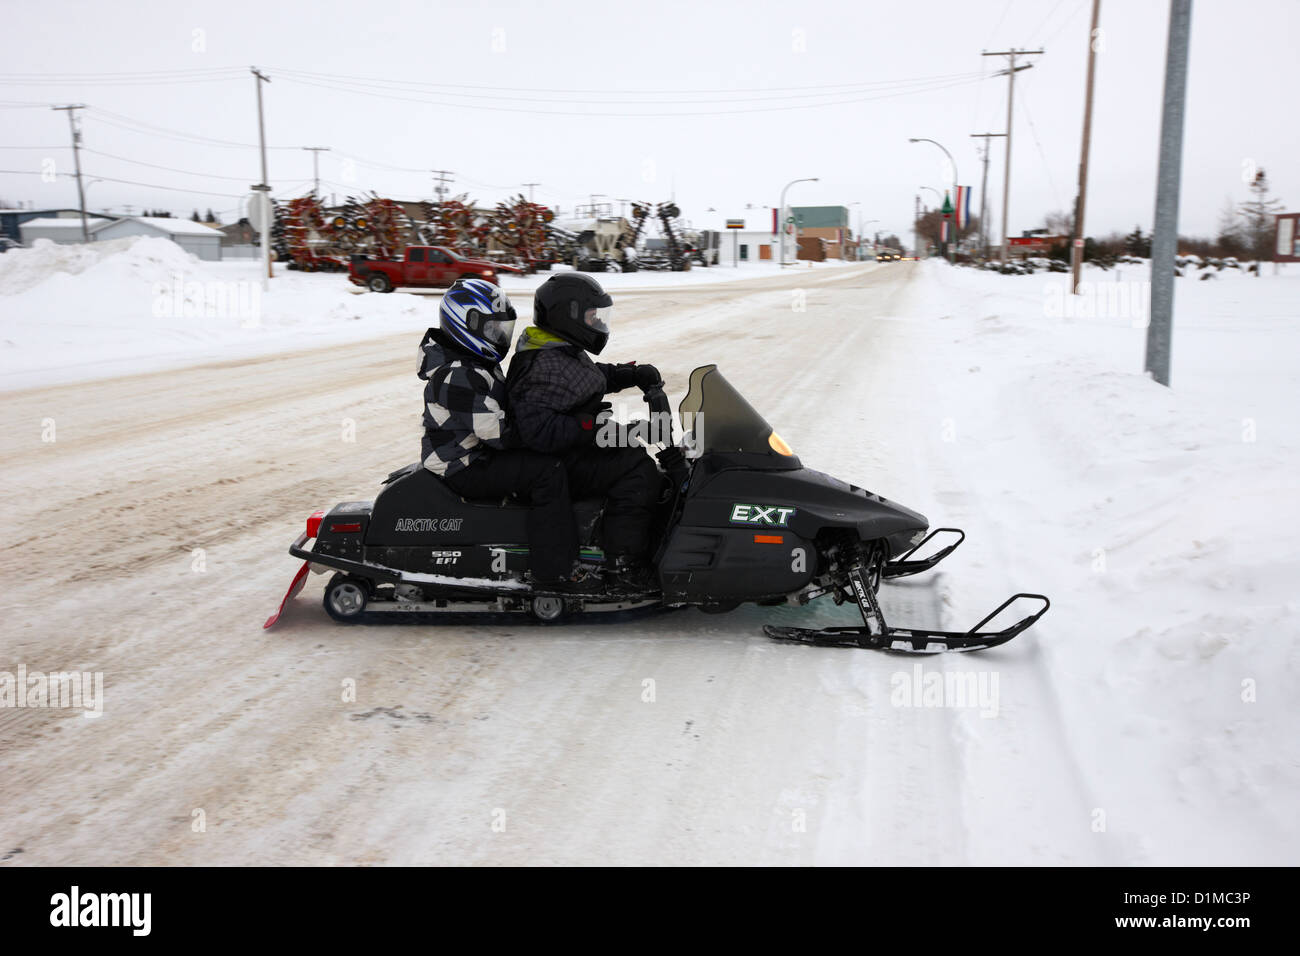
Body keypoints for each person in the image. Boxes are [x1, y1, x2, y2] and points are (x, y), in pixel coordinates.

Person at [419, 277, 598, 593]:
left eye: (502, 330)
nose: (500, 338)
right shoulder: (457, 375)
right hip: (464, 464)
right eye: (492, 331)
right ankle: (553, 571)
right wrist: (548, 426)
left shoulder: (473, 363)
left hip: (477, 452)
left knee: (548, 459)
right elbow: (499, 434)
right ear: (466, 325)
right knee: (547, 471)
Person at [506, 273, 664, 589]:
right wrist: (589, 426)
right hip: (553, 462)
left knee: (632, 453)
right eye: (593, 317)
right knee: (638, 471)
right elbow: (539, 432)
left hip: (566, 451)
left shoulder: (555, 349)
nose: (598, 325)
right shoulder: (543, 365)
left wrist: (627, 375)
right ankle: (624, 565)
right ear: (569, 316)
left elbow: (585, 376)